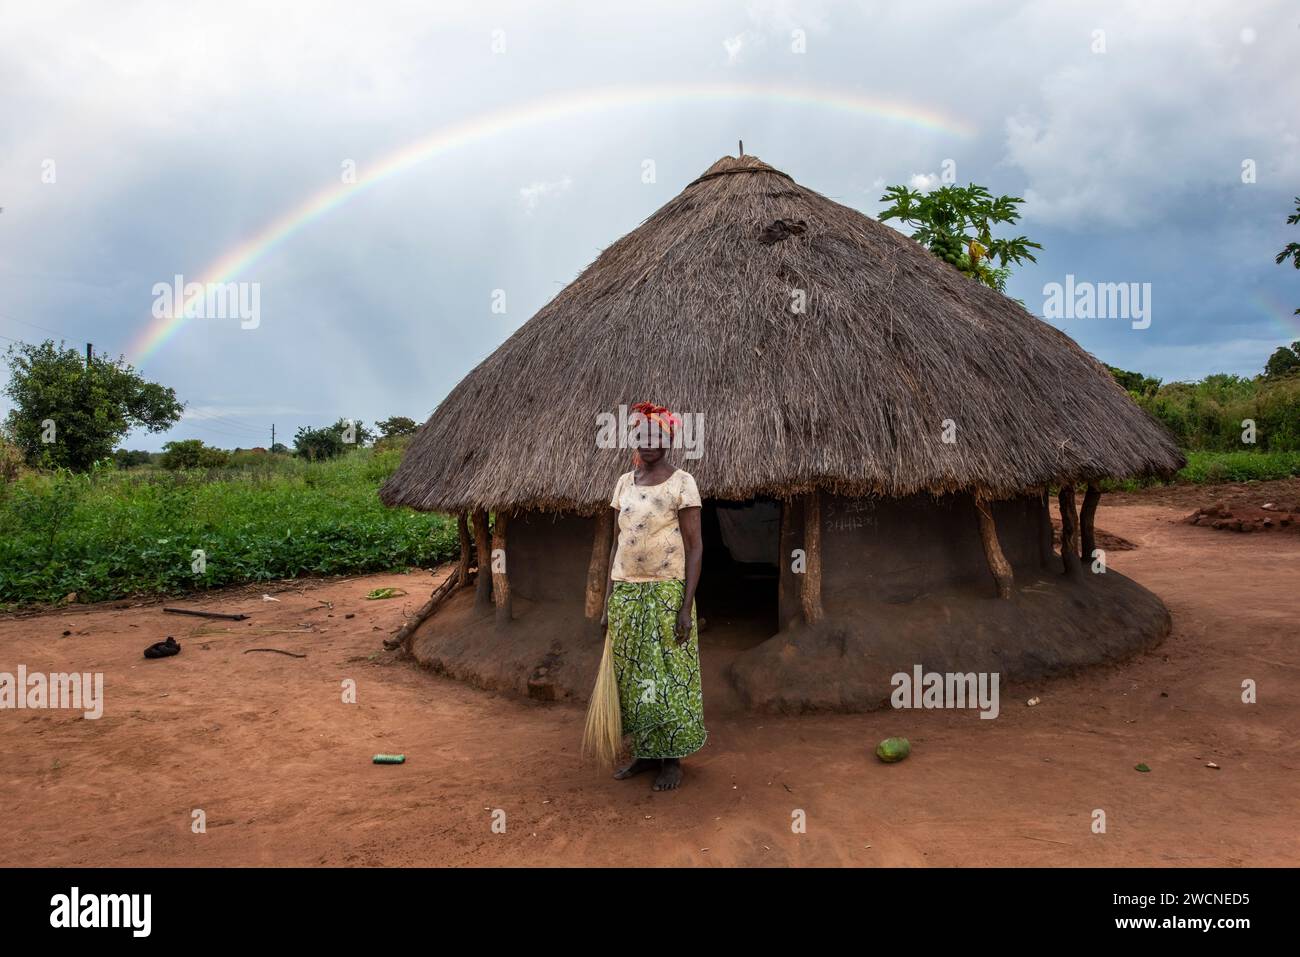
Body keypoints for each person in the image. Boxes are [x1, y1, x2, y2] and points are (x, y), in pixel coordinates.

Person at [600, 401, 705, 791]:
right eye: (641, 436)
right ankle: (645, 753)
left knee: (669, 676)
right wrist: (608, 598)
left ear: (668, 439)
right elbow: (616, 543)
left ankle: (671, 759)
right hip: (627, 592)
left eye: (655, 436)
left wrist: (685, 606)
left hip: (666, 593)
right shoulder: (624, 483)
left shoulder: (682, 482)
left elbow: (695, 547)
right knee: (633, 677)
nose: (647, 443)